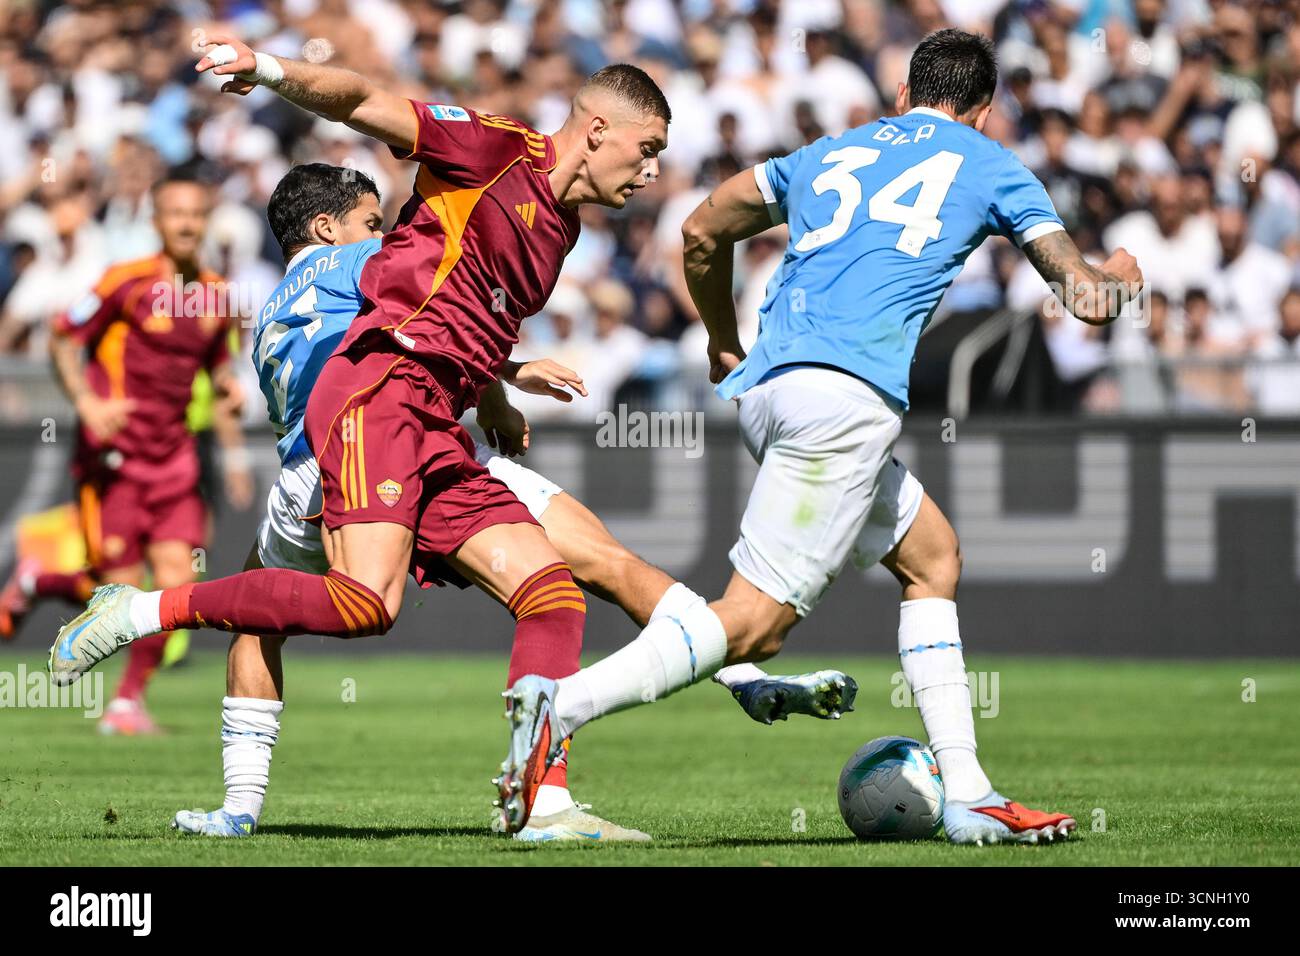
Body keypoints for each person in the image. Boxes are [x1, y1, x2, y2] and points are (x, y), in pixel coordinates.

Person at [520, 29, 1144, 846]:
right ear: (984, 112)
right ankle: (558, 708)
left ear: (900, 97)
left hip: (770, 391)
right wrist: (1123, 276)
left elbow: (703, 230)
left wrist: (719, 339)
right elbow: (1086, 300)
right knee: (753, 626)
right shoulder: (988, 162)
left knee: (933, 559)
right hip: (844, 401)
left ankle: (969, 792)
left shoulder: (829, 152)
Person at [171, 162, 857, 843]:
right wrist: (513, 369)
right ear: (328, 228)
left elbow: (404, 337)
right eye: (371, 222)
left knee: (260, 618)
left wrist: (493, 387)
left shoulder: (272, 307)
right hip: (393, 451)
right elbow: (442, 304)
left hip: (306, 477)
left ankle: (239, 807)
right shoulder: (353, 262)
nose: (383, 234)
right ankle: (567, 782)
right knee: (588, 571)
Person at [23, 172, 251, 735]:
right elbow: (60, 336)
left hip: (174, 461)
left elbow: (216, 367)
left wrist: (229, 393)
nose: (186, 223)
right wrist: (86, 403)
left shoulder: (218, 296)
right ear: (156, 221)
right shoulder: (123, 282)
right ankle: (38, 582)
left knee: (173, 588)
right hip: (113, 459)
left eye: (196, 213)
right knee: (116, 589)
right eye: (175, 212)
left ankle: (126, 702)